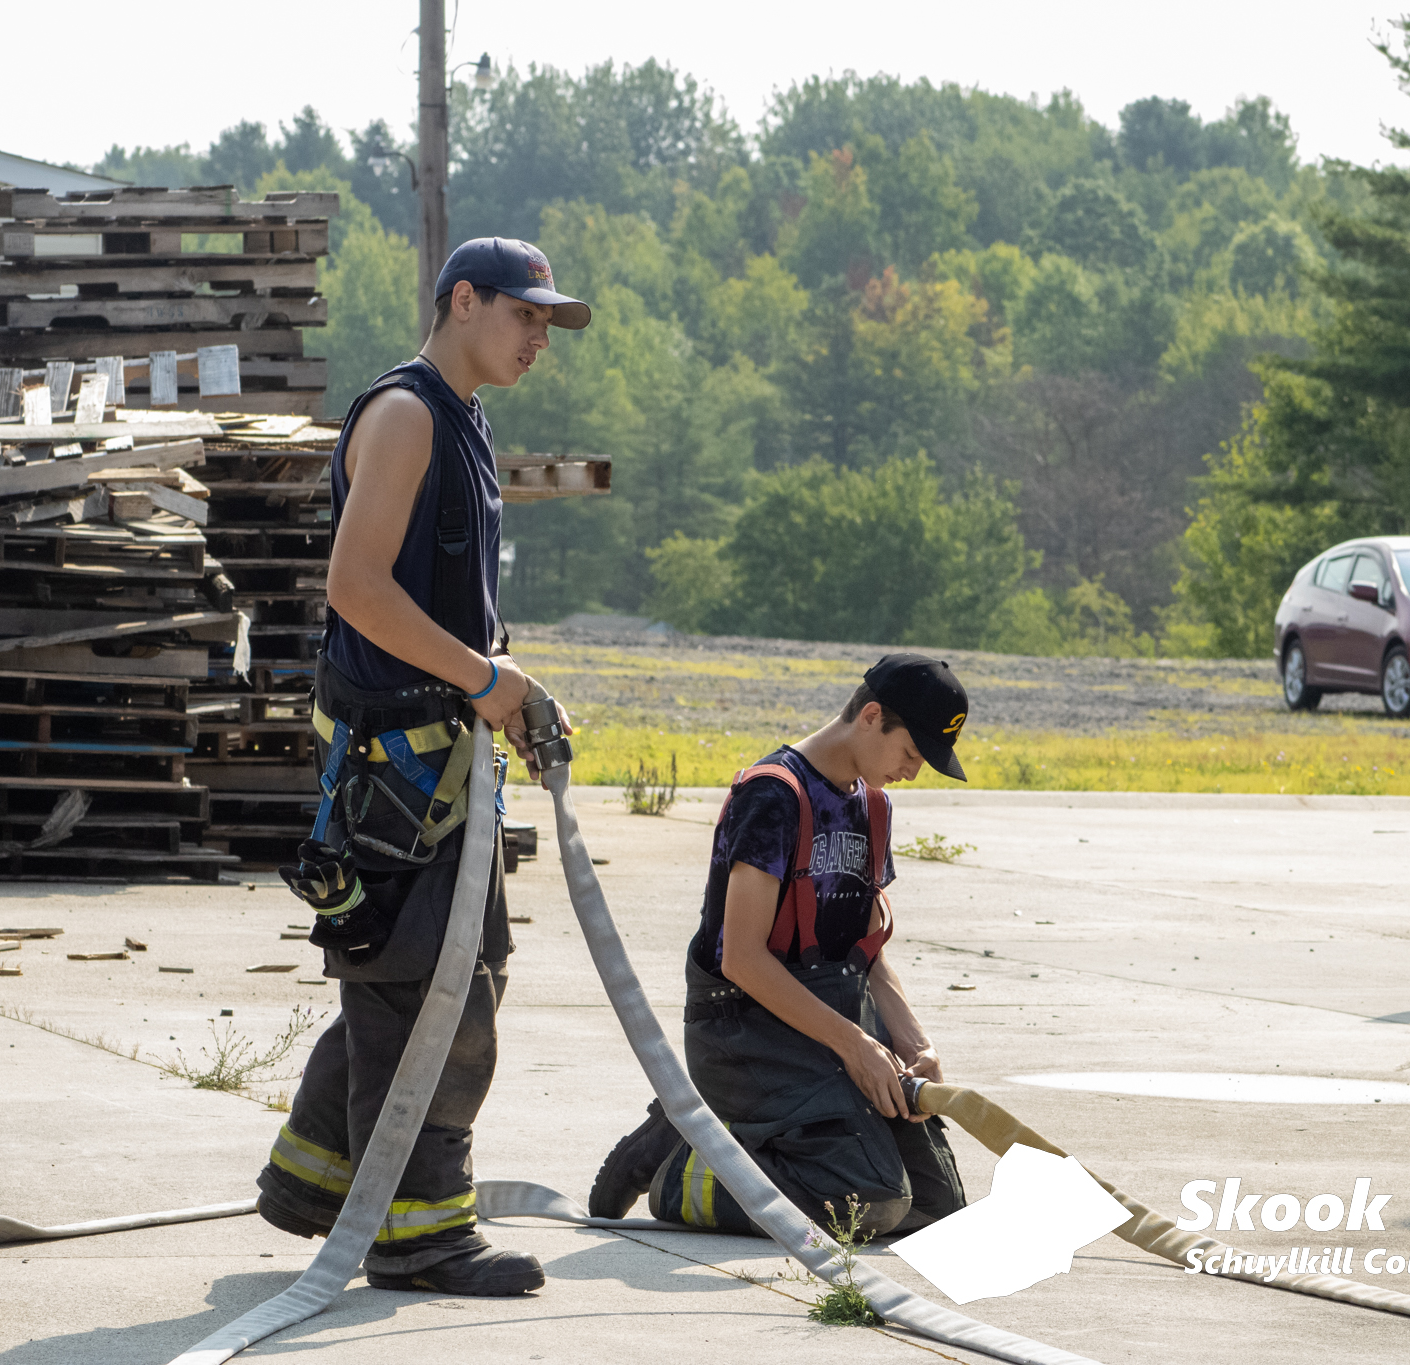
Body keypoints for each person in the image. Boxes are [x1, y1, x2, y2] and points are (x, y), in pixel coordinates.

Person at [255, 238, 590, 1297]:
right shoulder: (406, 415)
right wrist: (482, 679)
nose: (540, 338)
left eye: (547, 322)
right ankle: (418, 1236)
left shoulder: (464, 420)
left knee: (422, 974)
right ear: (463, 300)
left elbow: (443, 600)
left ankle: (315, 1178)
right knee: (435, 993)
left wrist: (507, 689)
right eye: (526, 314)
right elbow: (355, 587)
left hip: (439, 755)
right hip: (398, 764)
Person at [588, 654, 972, 1236]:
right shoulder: (774, 795)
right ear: (872, 716)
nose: (913, 772)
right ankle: (682, 1156)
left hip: (827, 1025)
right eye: (912, 753)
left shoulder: (871, 805)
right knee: (868, 1203)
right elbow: (741, 959)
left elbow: (868, 953)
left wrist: (915, 1043)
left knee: (937, 1207)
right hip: (746, 1029)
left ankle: (736, 1129)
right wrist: (855, 1047)